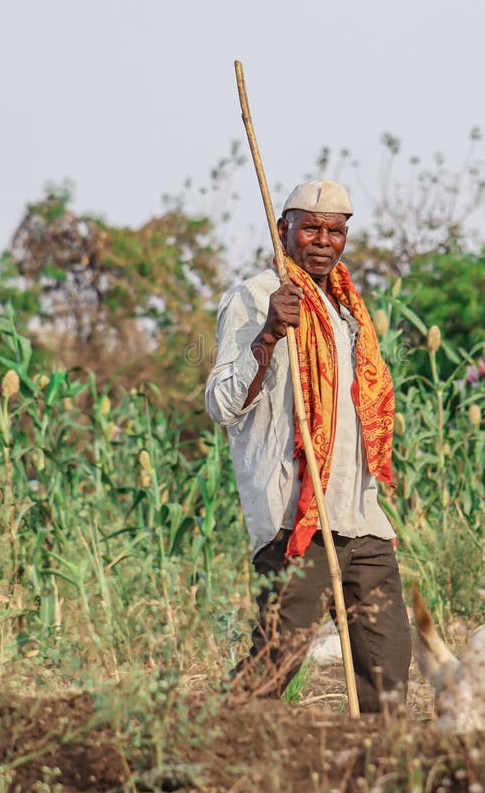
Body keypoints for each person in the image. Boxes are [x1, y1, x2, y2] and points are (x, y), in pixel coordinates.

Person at [205, 180, 411, 713]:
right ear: (283, 230)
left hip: (359, 514)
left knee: (386, 663)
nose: (323, 240)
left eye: (335, 230)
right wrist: (270, 333)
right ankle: (210, 753)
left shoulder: (347, 309)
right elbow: (222, 405)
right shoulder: (255, 298)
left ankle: (380, 767)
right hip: (295, 515)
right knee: (277, 658)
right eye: (311, 228)